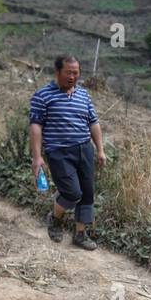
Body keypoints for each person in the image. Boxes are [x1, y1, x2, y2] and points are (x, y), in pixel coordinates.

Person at [29, 56, 107, 250]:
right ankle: (55, 218)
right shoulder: (43, 95)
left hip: (84, 149)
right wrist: (37, 157)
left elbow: (93, 123)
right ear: (57, 72)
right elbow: (36, 126)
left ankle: (80, 234)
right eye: (68, 72)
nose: (73, 76)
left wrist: (100, 150)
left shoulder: (84, 95)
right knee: (72, 193)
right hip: (58, 151)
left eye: (76, 72)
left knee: (87, 193)